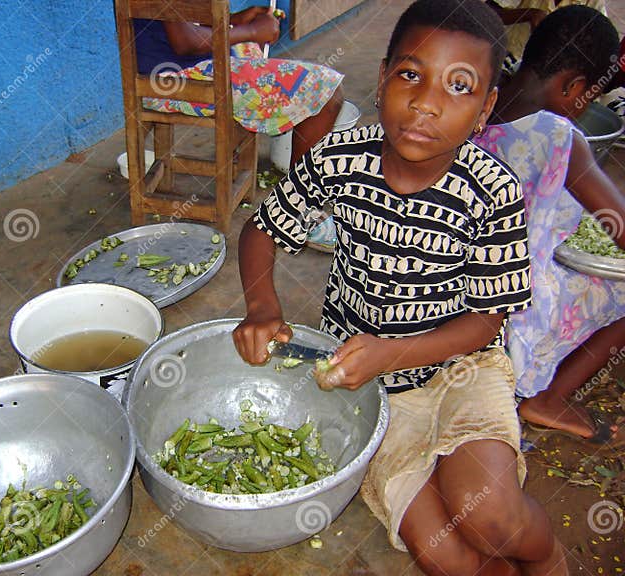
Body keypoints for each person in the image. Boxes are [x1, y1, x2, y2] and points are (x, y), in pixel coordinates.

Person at [233, 0, 567, 573]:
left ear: (487, 106)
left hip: (464, 367)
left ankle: (548, 562)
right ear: (384, 74)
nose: (426, 102)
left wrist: (396, 351)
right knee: (447, 556)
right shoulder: (338, 160)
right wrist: (263, 306)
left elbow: (487, 321)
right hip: (368, 388)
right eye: (410, 74)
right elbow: (261, 232)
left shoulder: (492, 192)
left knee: (490, 518)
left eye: (459, 86)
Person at [473, 6, 625, 442]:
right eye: (590, 97)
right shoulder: (560, 137)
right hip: (514, 308)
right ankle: (550, 396)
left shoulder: (478, 98)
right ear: (574, 86)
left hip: (452, 287)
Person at [132, 7, 344, 168]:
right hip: (169, 81)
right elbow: (185, 42)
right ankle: (297, 197)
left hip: (181, 65)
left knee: (253, 50)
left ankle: (236, 158)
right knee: (326, 91)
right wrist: (251, 30)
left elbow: (185, 20)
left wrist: (235, 21)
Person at [485, 0, 608, 77]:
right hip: (503, 58)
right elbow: (487, 11)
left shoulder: (594, 3)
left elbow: (600, 45)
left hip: (545, 74)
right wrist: (529, 14)